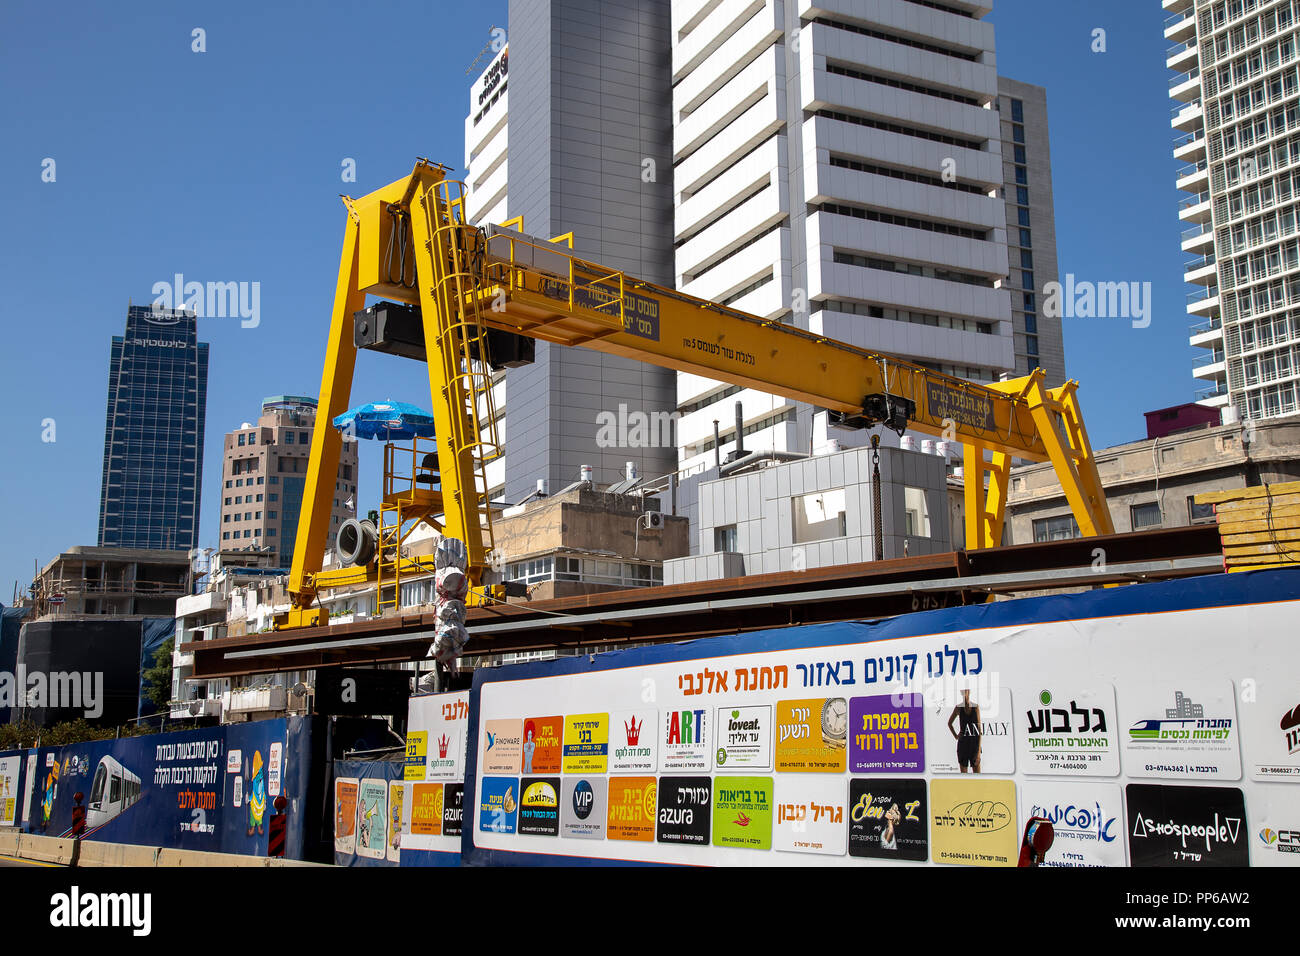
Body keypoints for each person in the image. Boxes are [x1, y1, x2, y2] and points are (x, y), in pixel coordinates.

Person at [947, 688, 982, 773]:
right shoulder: (958, 708)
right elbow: (949, 723)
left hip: (974, 744)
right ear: (961, 692)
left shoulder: (975, 707)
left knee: (978, 777)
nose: (965, 692)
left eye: (966, 690)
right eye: (963, 690)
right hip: (963, 744)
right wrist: (956, 736)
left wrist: (978, 751)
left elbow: (979, 730)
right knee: (964, 776)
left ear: (969, 691)